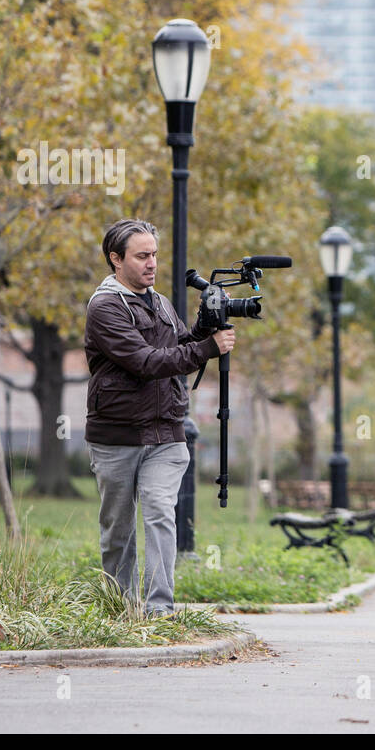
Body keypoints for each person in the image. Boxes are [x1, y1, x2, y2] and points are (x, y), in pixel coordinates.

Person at [83, 219, 235, 617]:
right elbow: (146, 362)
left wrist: (204, 325)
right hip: (116, 435)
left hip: (166, 433)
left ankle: (159, 611)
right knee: (118, 530)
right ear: (116, 259)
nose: (152, 263)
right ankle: (120, 610)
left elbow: (179, 346)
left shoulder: (161, 302)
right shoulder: (104, 307)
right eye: (142, 256)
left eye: (155, 255)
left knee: (159, 513)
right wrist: (208, 350)